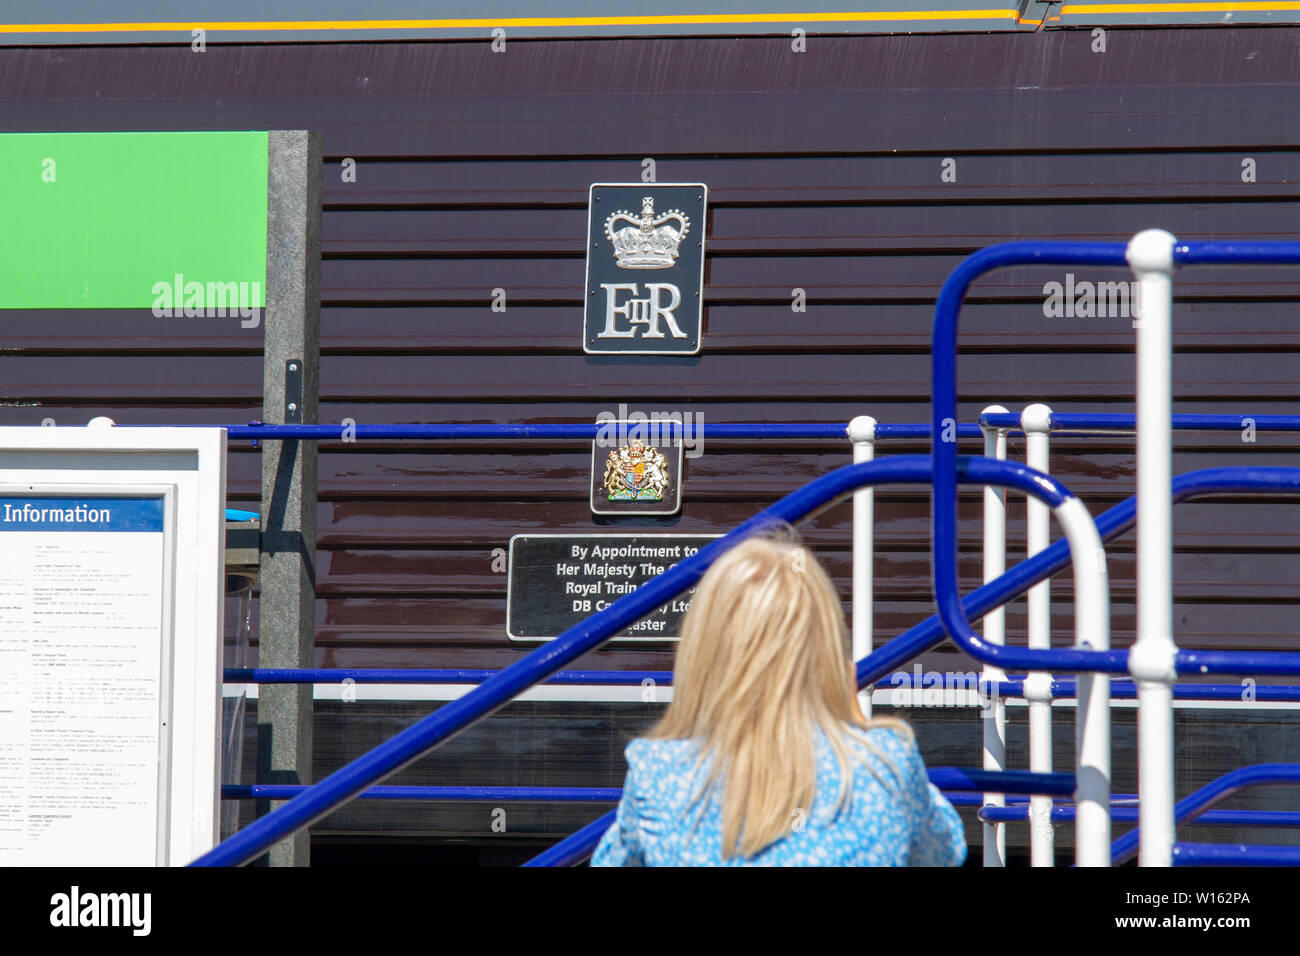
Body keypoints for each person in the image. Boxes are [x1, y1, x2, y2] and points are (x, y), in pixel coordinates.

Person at [591, 530, 966, 867]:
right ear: (827, 648)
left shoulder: (657, 772)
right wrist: (857, 729)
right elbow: (945, 851)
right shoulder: (886, 764)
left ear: (704, 651)